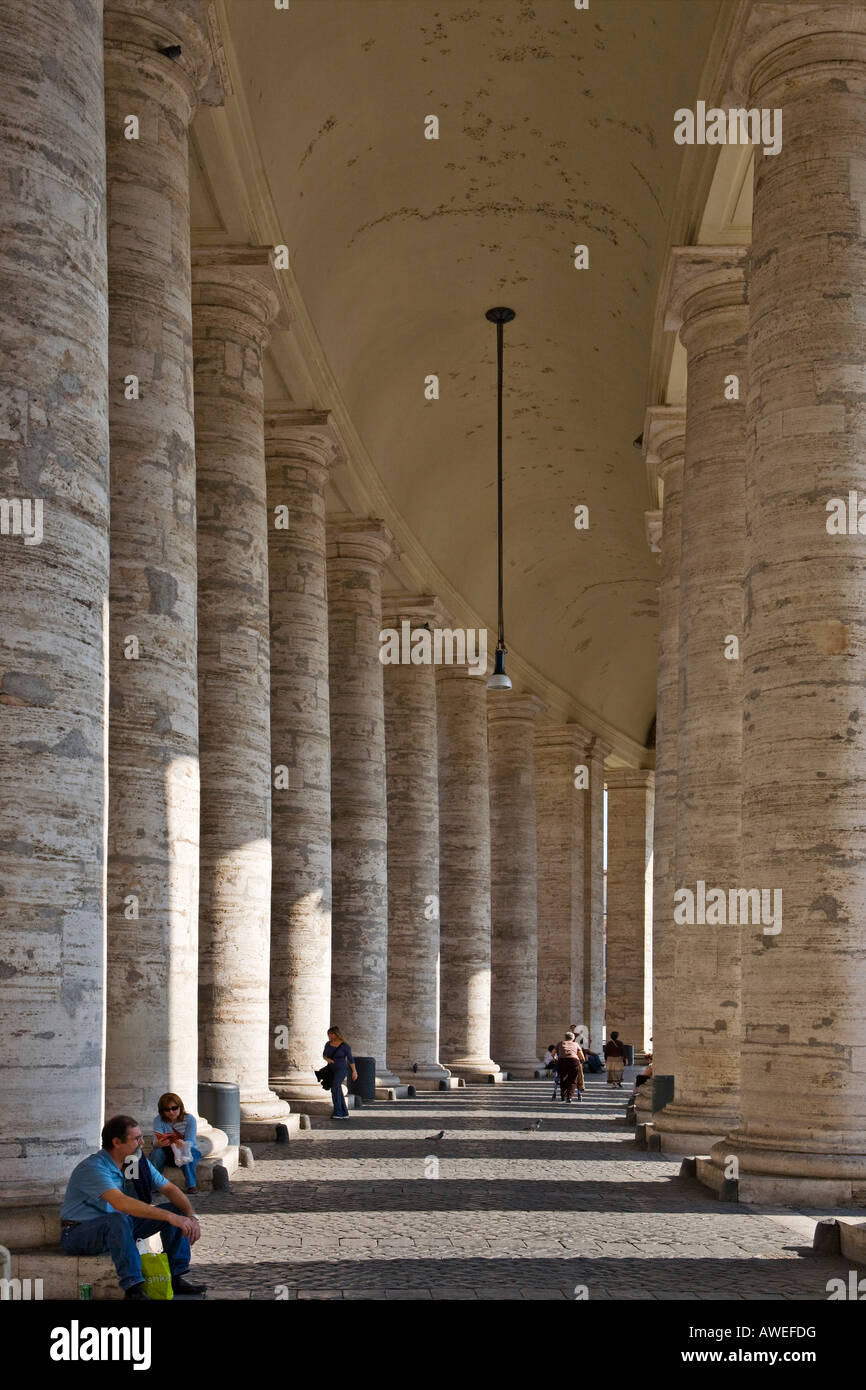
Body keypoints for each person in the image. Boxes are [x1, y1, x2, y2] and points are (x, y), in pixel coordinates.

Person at [60, 1114, 206, 1300]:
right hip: (78, 1233)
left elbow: (169, 1188)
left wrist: (190, 1215)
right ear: (116, 1142)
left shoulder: (134, 1163)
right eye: (136, 1138)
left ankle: (175, 1277)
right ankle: (133, 1288)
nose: (142, 1142)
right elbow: (121, 1203)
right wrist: (169, 1217)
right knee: (120, 1218)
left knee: (175, 1210)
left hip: (118, 1226)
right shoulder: (93, 1167)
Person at [150, 1092, 202, 1193]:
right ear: (162, 1110)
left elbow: (190, 1141)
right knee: (157, 1152)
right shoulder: (158, 1120)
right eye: (167, 1109)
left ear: (180, 1107)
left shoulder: (190, 1119)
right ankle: (154, 1184)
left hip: (186, 1150)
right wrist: (159, 1143)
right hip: (168, 1153)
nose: (171, 1112)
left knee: (185, 1152)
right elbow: (155, 1141)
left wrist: (181, 1144)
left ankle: (191, 1185)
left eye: (174, 1108)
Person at [323, 1026, 358, 1119]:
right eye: (328, 1034)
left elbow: (350, 1060)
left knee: (334, 1088)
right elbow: (324, 1055)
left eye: (331, 1034)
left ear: (336, 1034)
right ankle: (344, 1112)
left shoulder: (345, 1046)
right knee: (337, 1089)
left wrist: (354, 1072)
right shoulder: (328, 1044)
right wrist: (328, 1059)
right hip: (331, 1069)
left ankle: (337, 1112)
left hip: (342, 1070)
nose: (329, 1035)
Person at [556, 1032, 585, 1103]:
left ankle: (563, 1096)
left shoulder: (560, 1043)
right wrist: (581, 1062)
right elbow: (582, 1057)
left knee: (562, 1078)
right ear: (573, 1038)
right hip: (573, 1061)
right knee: (573, 1079)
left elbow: (553, 1053)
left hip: (562, 1061)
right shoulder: (575, 1044)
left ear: (565, 1037)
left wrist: (555, 1060)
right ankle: (569, 1097)